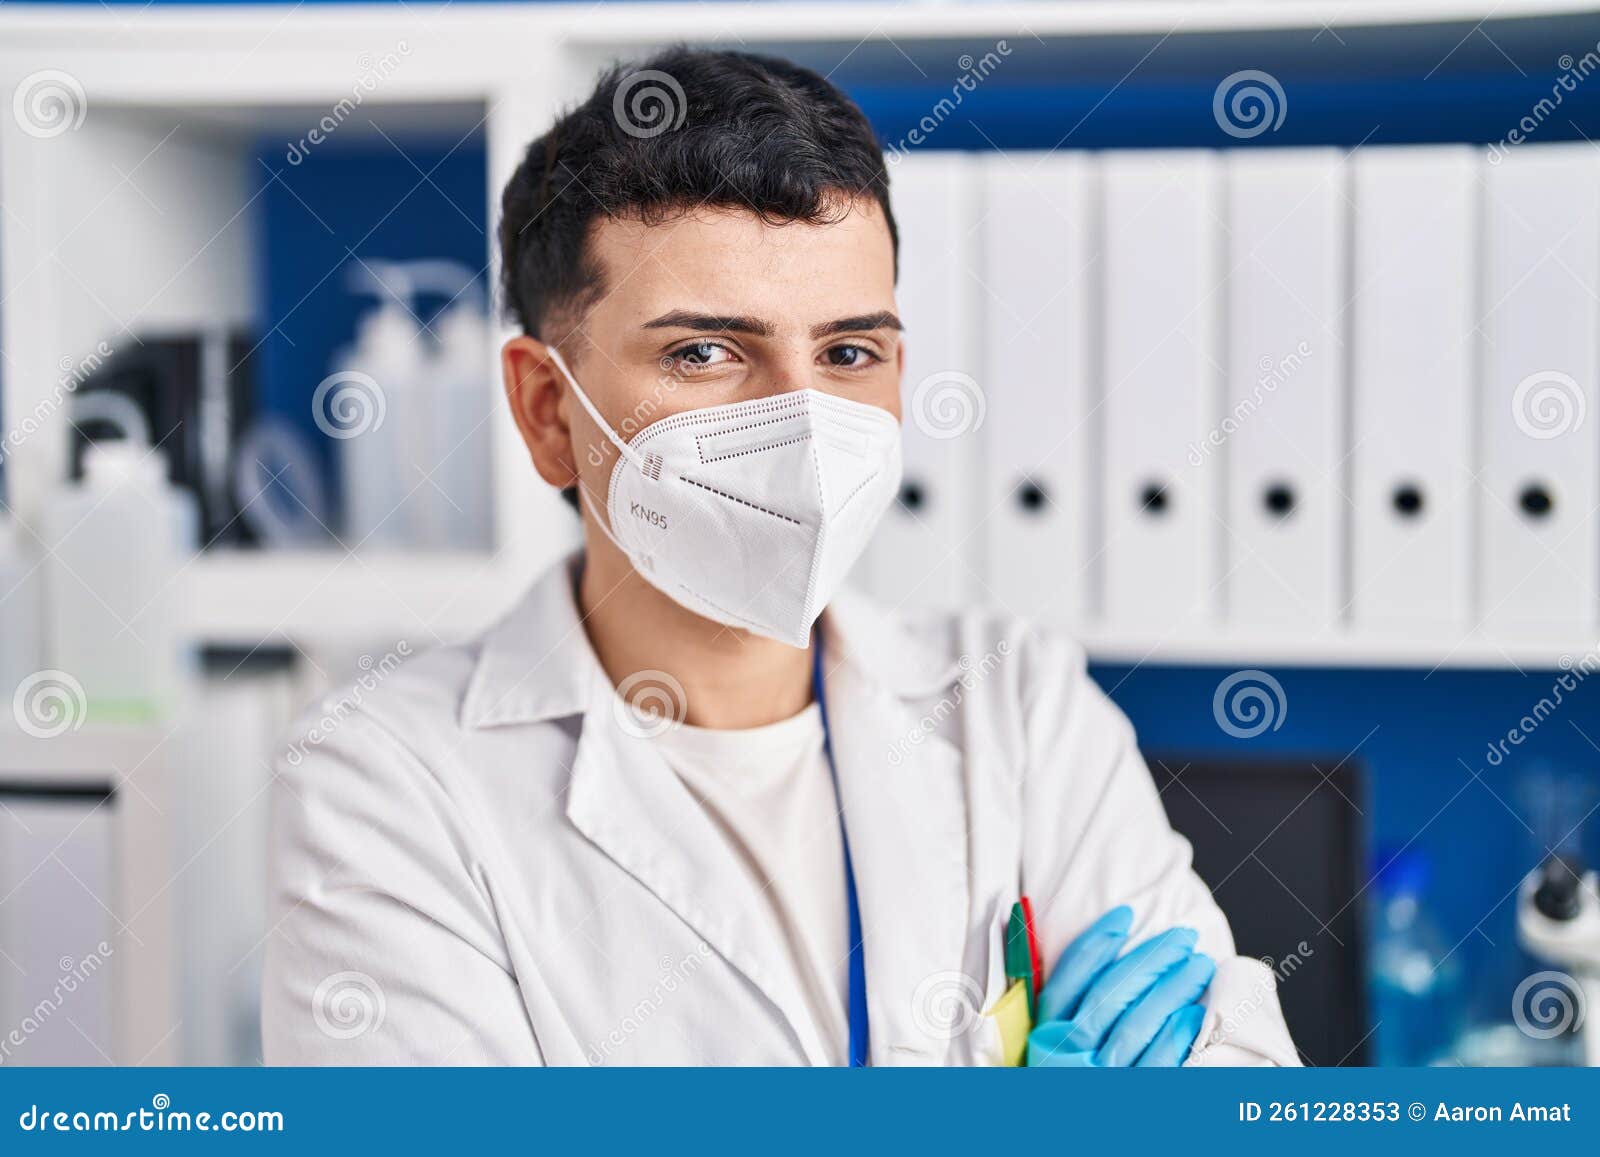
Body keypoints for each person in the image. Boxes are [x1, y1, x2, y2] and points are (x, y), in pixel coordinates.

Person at [262, 46, 1299, 1068]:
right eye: (704, 351)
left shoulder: (1015, 702)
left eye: (848, 352)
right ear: (545, 410)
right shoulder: (386, 780)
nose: (802, 422)